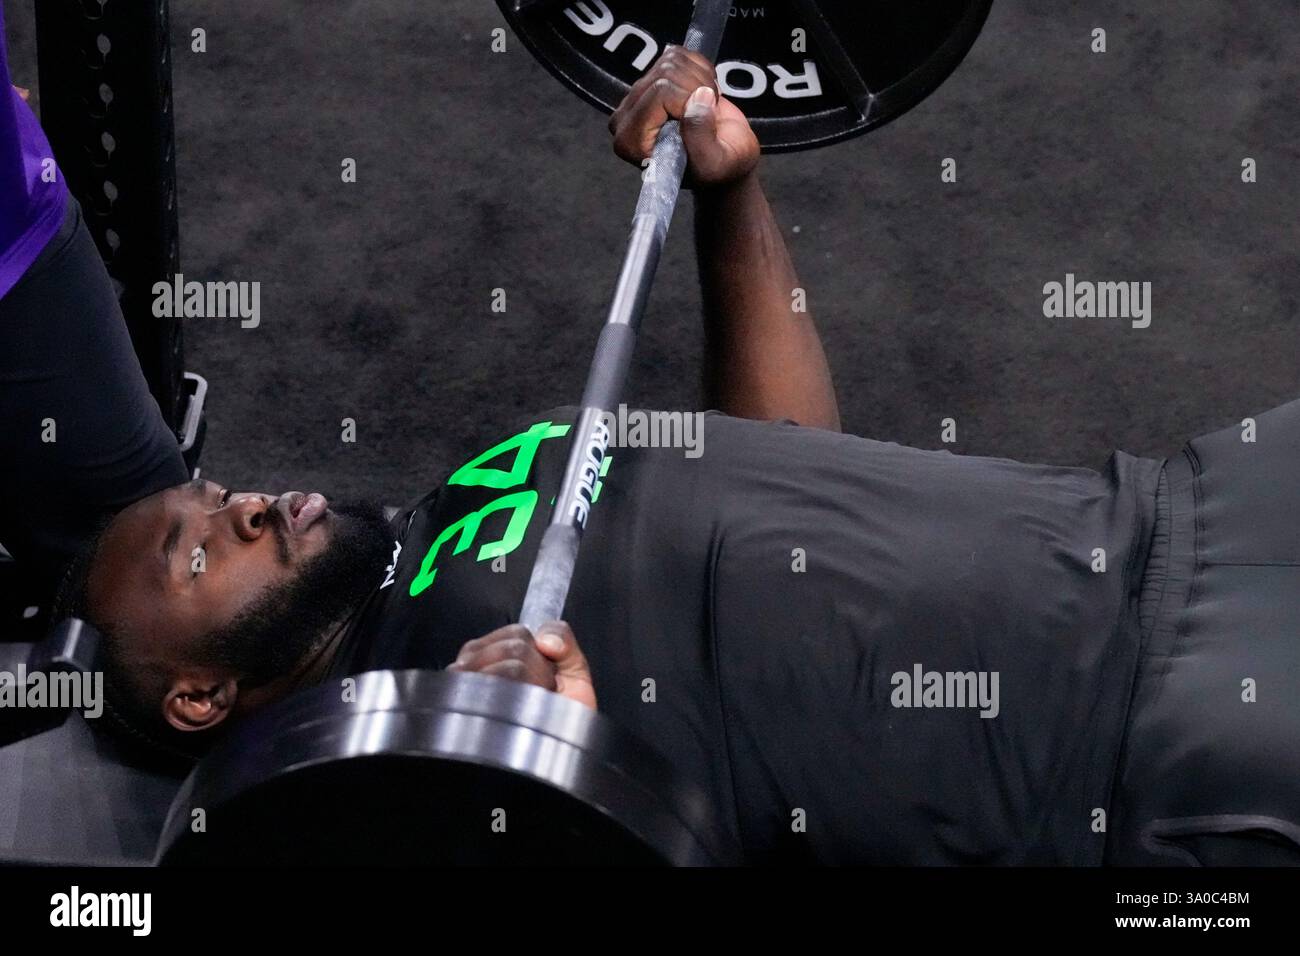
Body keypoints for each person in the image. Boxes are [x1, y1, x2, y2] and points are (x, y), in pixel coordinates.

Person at [4, 34, 1297, 864]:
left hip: (1188, 508)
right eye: (193, 550)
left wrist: (732, 196)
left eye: (211, 492)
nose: (238, 505)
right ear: (198, 697)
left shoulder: (456, 496)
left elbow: (785, 460)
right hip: (1149, 741)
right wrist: (532, 786)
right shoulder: (411, 785)